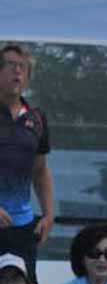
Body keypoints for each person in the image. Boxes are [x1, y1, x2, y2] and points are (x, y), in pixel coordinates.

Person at [0, 44, 55, 269]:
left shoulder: (37, 118)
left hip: (23, 227)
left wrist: (49, 215)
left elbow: (40, 171)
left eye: (22, 67)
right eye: (11, 65)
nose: (17, 71)